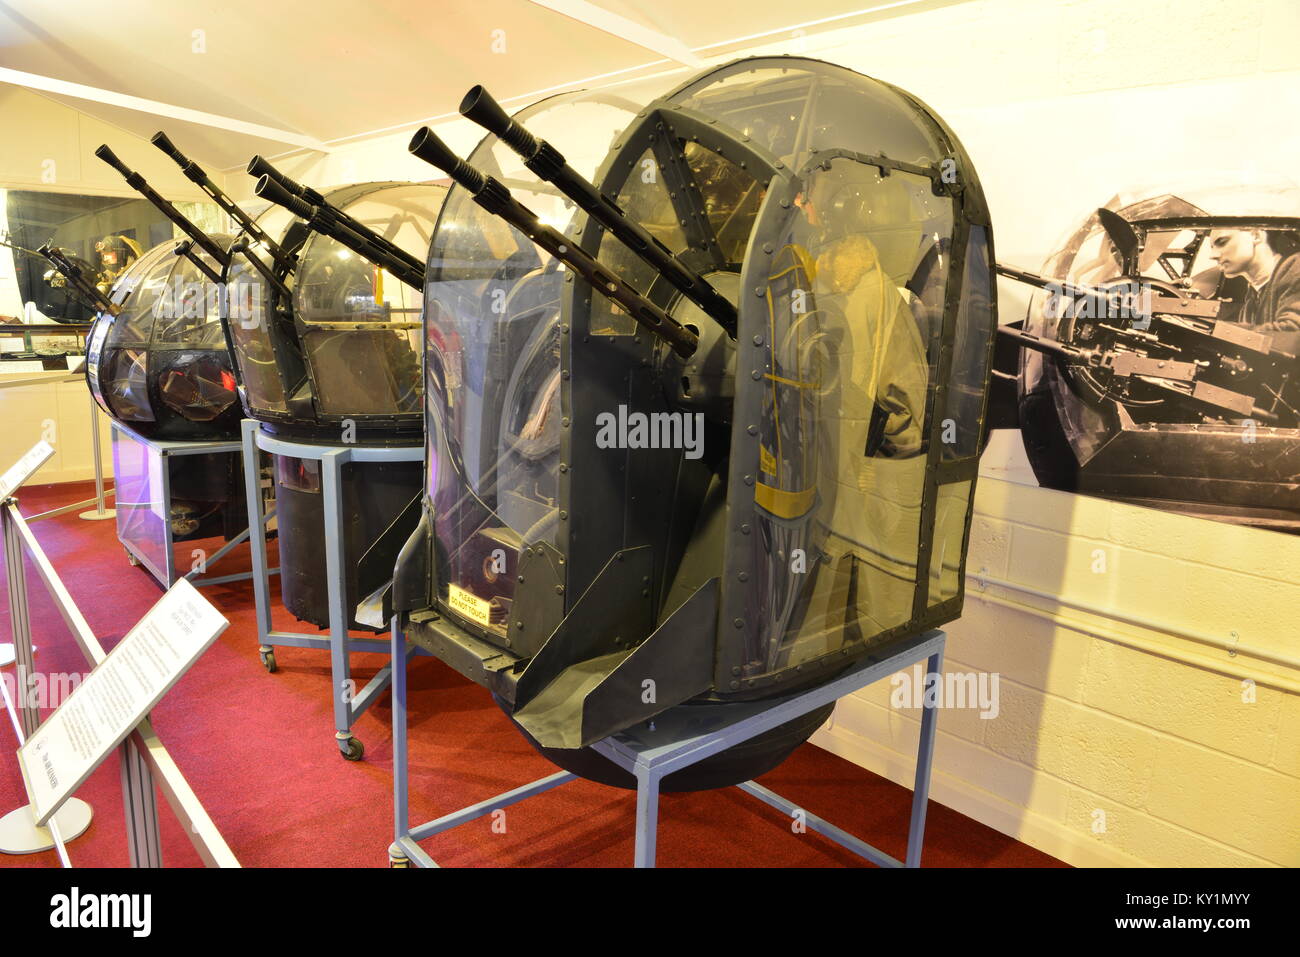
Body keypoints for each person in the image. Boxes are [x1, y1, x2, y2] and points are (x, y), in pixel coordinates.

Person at [1206, 228, 1300, 346]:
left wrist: (1215, 330)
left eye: (1222, 242)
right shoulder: (1251, 301)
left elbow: (1292, 335)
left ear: (1256, 235)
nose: (1213, 255)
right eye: (1212, 247)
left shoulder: (1296, 269)